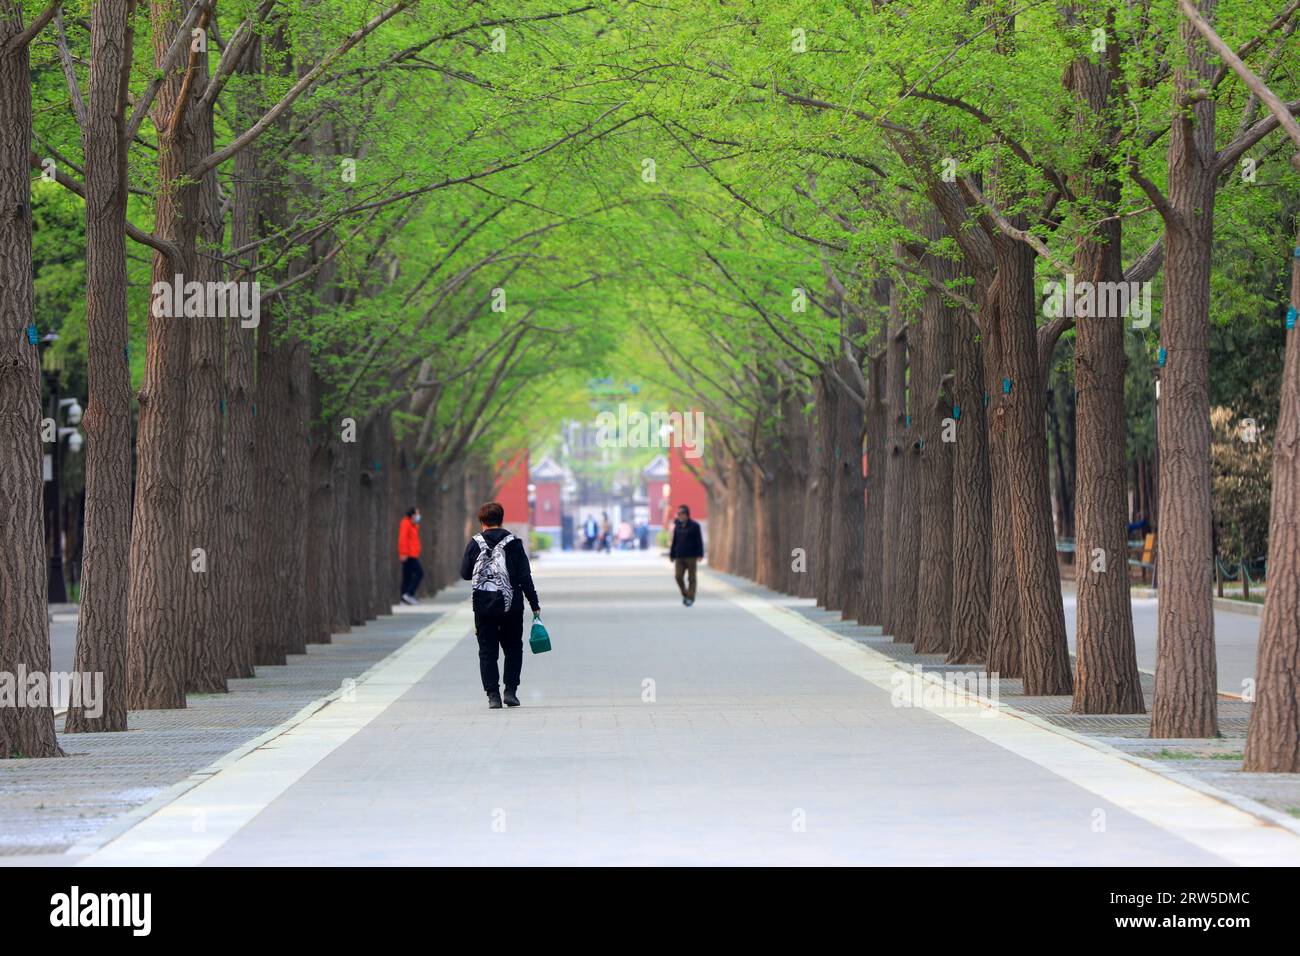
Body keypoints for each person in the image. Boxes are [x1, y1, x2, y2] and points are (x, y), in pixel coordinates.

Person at [461, 501, 541, 709]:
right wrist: (534, 604)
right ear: (501, 519)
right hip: (511, 605)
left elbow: (464, 574)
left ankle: (493, 696)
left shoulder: (475, 543)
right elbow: (525, 577)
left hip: (483, 607)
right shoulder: (514, 543)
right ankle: (511, 691)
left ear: (482, 522)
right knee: (513, 648)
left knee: (487, 651)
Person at [668, 504, 704, 606]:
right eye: (678, 514)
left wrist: (700, 554)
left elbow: (699, 541)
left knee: (692, 578)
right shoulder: (677, 526)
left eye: (681, 514)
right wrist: (672, 554)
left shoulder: (695, 526)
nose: (679, 515)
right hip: (679, 556)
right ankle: (685, 593)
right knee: (678, 576)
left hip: (691, 556)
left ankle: (690, 598)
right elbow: (674, 541)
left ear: (686, 514)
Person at [399, 507, 423, 605]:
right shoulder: (406, 523)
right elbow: (402, 539)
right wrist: (403, 553)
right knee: (420, 573)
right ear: (412, 514)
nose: (418, 515)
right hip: (408, 555)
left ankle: (403, 598)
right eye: (417, 513)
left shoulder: (413, 525)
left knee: (407, 576)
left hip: (413, 554)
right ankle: (409, 594)